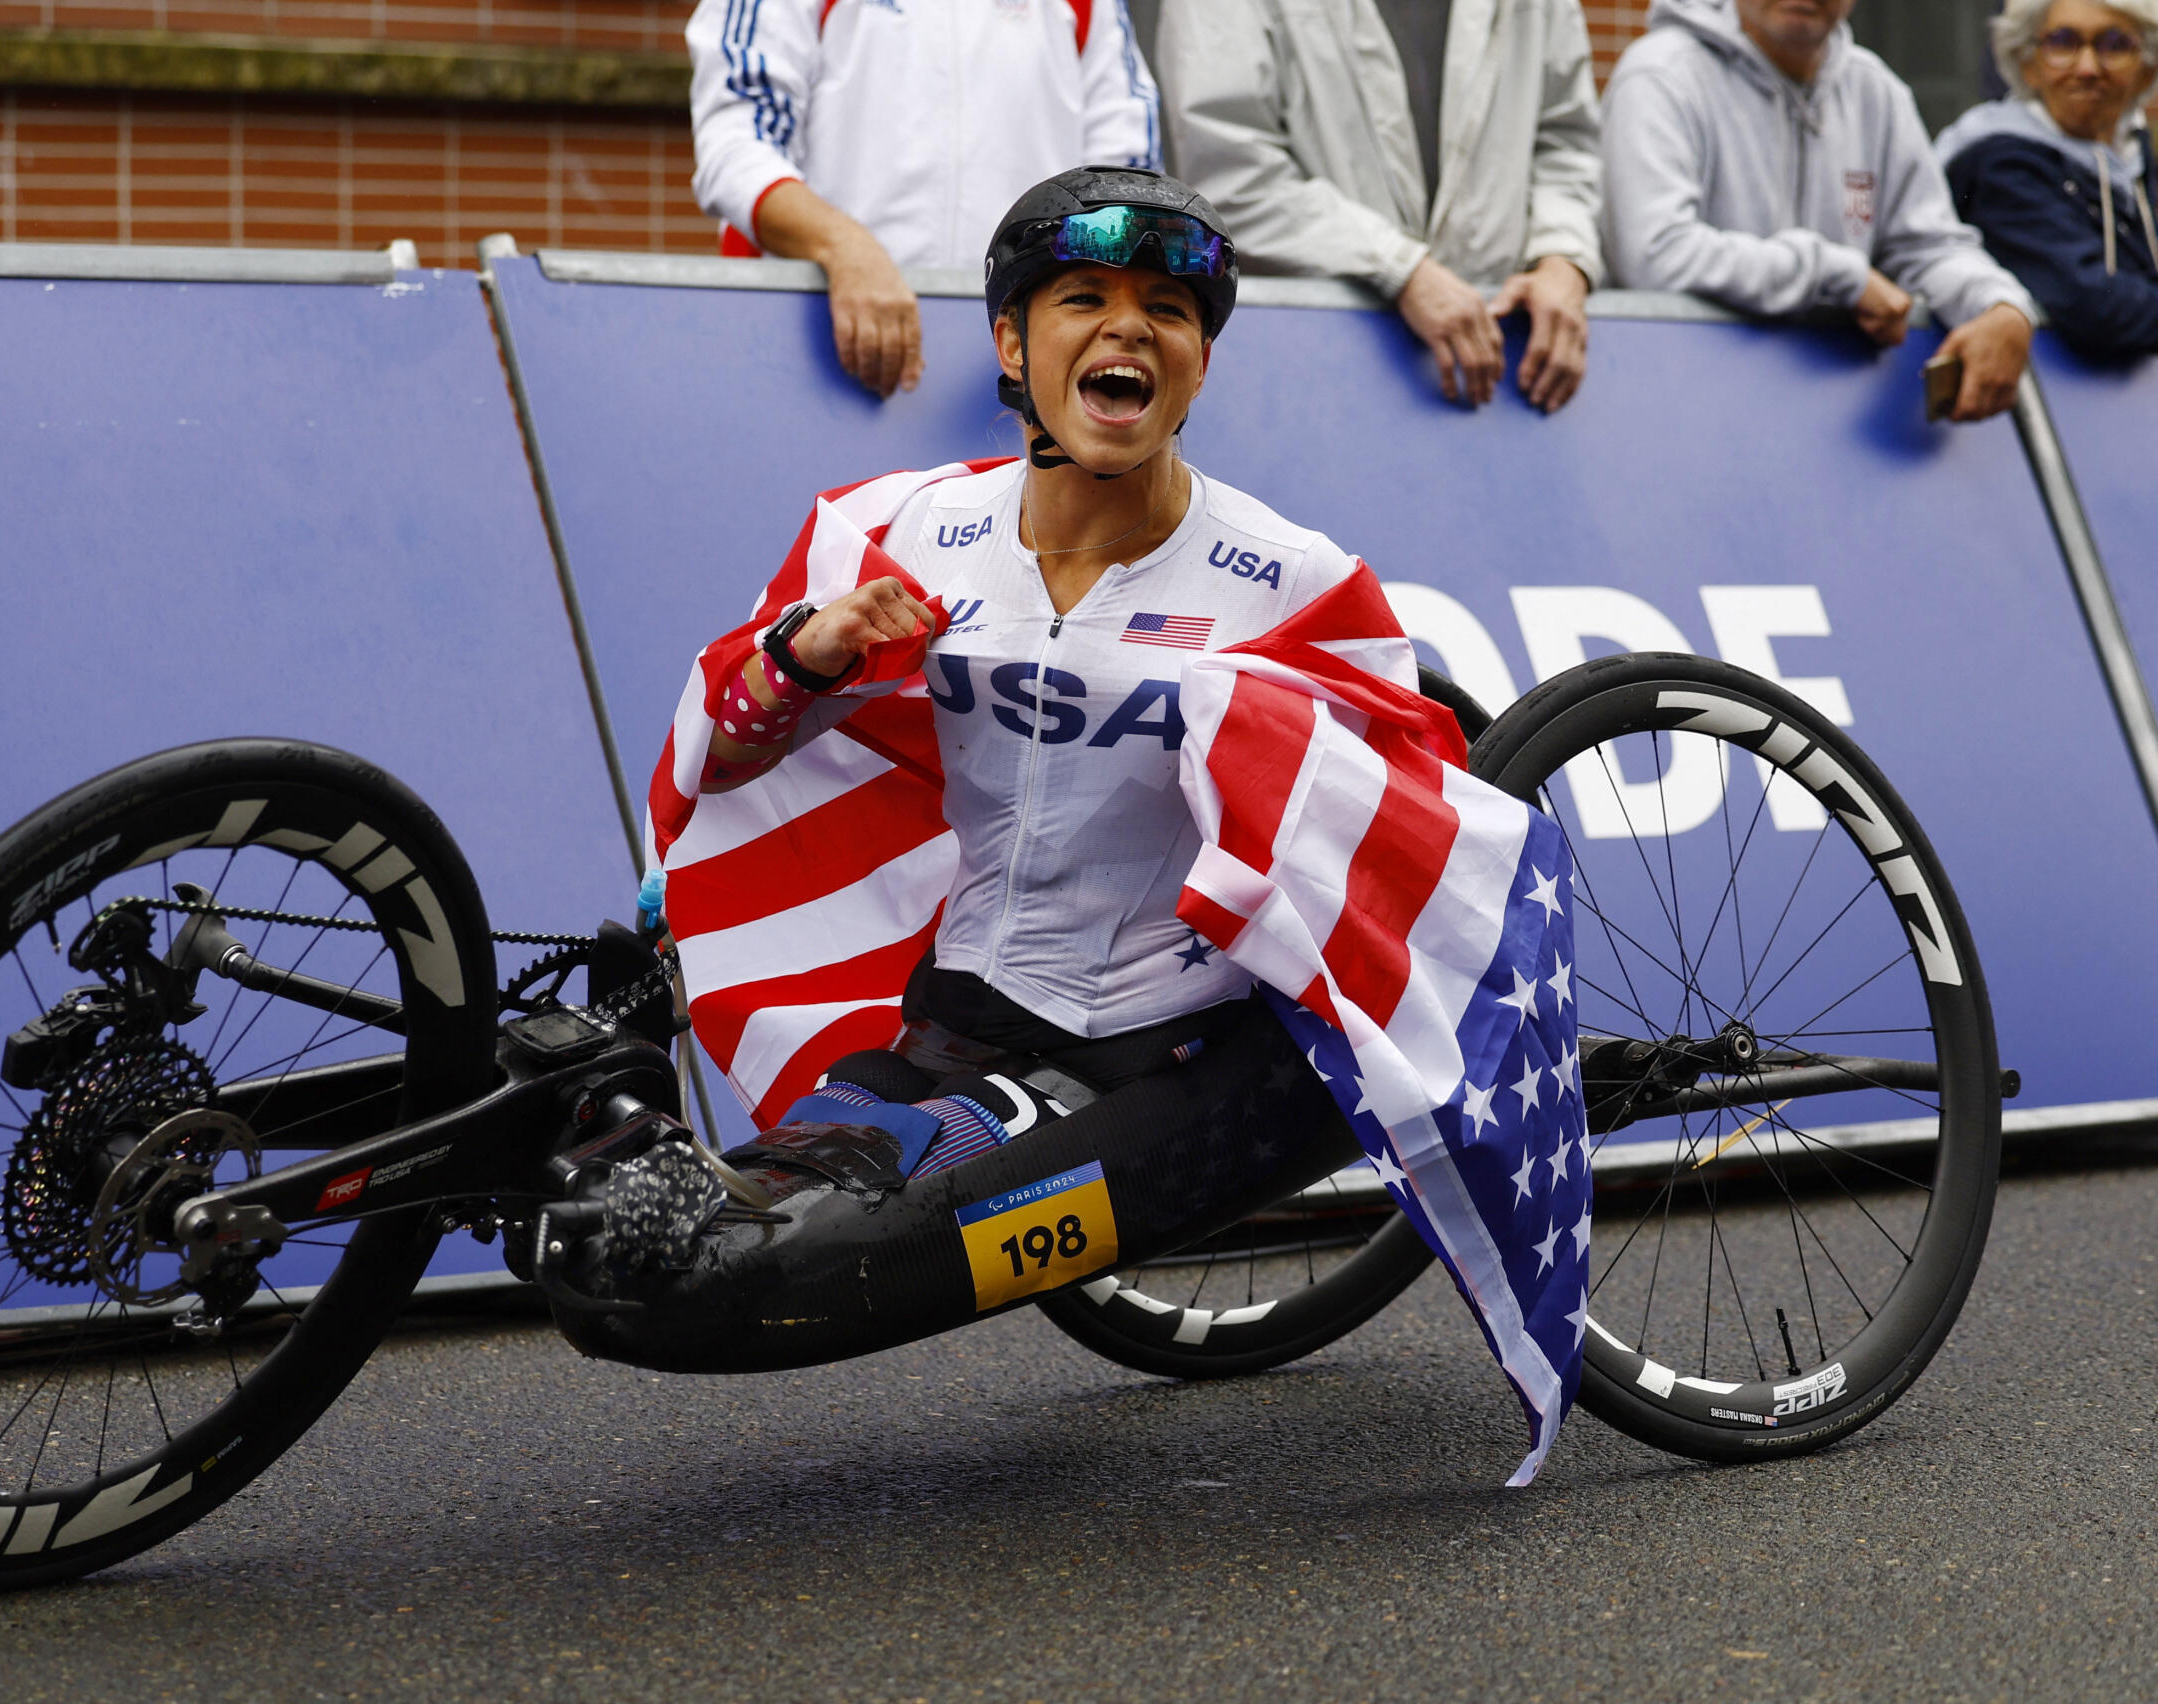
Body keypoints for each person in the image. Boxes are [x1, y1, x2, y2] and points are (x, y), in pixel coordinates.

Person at [642, 167, 1590, 1484]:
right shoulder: (896, 531)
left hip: (1152, 1038)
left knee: (853, 1192)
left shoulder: (1292, 583)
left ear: (1200, 368)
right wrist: (813, 652)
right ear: (1013, 347)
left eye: (1168, 310)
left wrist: (1250, 759)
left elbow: (1413, 823)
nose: (1127, 328)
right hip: (952, 1004)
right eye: (1081, 297)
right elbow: (726, 753)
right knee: (711, 1209)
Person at [684, 0, 1162, 399]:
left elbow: (1125, 183)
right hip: (809, 356)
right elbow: (736, 147)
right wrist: (843, 248)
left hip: (1017, 380)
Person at [1154, 0, 1606, 413]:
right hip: (1301, 381)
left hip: (1505, 385)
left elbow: (1566, 141)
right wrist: (1399, 269)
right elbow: (1231, 177)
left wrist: (1562, 259)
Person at [1601, 0, 2039, 421]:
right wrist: (1836, 275)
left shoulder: (1876, 93)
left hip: (1830, 435)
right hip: (1683, 420)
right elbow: (1655, 256)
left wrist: (2000, 305)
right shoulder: (1661, 76)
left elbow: (1928, 246)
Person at [1937, 0, 2158, 358]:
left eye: (2115, 45)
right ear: (2028, 64)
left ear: (2147, 70)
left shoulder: (2131, 156)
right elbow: (2094, 306)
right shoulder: (1999, 163)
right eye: (2063, 43)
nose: (2087, 67)